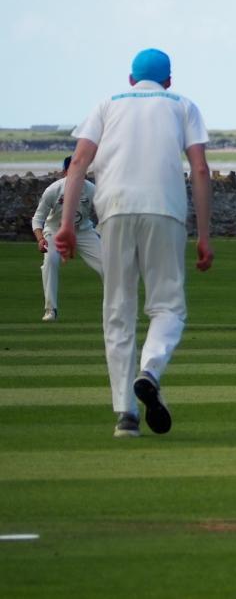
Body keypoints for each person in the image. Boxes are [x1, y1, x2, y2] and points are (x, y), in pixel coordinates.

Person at [56, 48, 214, 439]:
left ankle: (125, 414)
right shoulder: (183, 105)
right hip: (165, 211)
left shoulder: (108, 103)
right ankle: (150, 370)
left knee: (118, 310)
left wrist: (66, 226)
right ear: (169, 81)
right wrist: (205, 235)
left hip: (114, 210)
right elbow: (199, 168)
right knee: (168, 307)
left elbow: (78, 164)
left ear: (130, 80)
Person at [32, 155, 103, 321]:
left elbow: (105, 213)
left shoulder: (91, 189)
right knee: (51, 261)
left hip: (84, 231)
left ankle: (120, 310)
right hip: (54, 232)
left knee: (109, 267)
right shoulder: (53, 190)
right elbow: (38, 218)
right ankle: (51, 310)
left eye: (82, 171)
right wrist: (40, 239)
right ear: (65, 172)